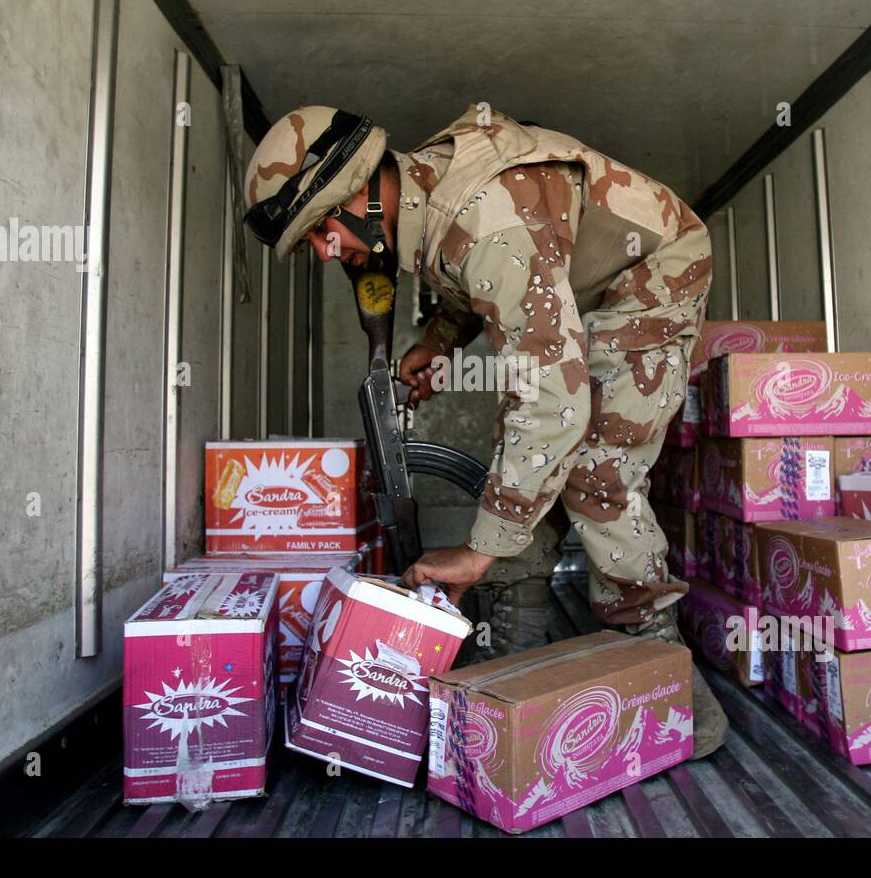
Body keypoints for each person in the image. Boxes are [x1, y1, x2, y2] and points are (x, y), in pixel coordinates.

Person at [243, 104, 727, 757]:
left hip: (652, 276)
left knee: (594, 469)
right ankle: (519, 616)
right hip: (575, 286)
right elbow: (465, 280)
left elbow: (555, 406)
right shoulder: (424, 204)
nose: (329, 252)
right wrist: (439, 341)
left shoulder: (487, 221)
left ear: (358, 193)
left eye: (321, 231)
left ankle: (663, 669)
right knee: (526, 448)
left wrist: (475, 550)